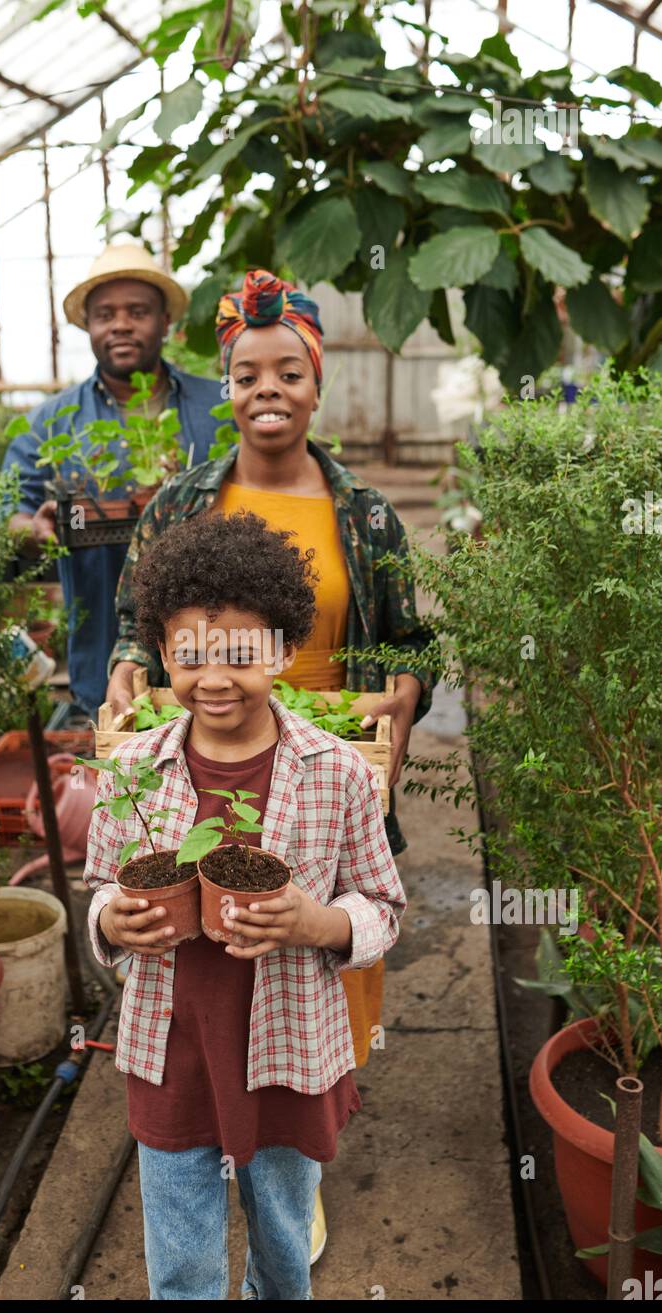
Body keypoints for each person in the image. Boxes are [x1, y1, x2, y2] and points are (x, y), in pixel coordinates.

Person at [104, 268, 436, 1259]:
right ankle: (204, 1135)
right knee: (205, 956)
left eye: (287, 372)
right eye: (246, 374)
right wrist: (129, 675)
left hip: (325, 754)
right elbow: (134, 625)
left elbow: (414, 641)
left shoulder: (366, 513)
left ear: (314, 381)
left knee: (315, 956)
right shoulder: (182, 504)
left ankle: (294, 1149)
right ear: (226, 383)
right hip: (206, 746)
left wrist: (402, 696)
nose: (267, 391)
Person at [84, 509, 406, 1300]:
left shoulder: (338, 772)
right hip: (172, 1047)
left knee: (284, 1244)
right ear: (162, 653)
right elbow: (100, 885)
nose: (214, 677)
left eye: (240, 654)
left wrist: (316, 921)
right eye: (190, 655)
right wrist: (108, 921)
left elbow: (383, 907)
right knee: (183, 1257)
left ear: (286, 652)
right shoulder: (133, 768)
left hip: (290, 1049)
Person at [1, 243, 223, 717]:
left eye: (137, 311)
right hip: (100, 649)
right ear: (88, 326)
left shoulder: (217, 408)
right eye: (105, 314)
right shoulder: (51, 422)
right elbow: (9, 514)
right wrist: (34, 530)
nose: (120, 324)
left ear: (166, 321)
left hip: (220, 659)